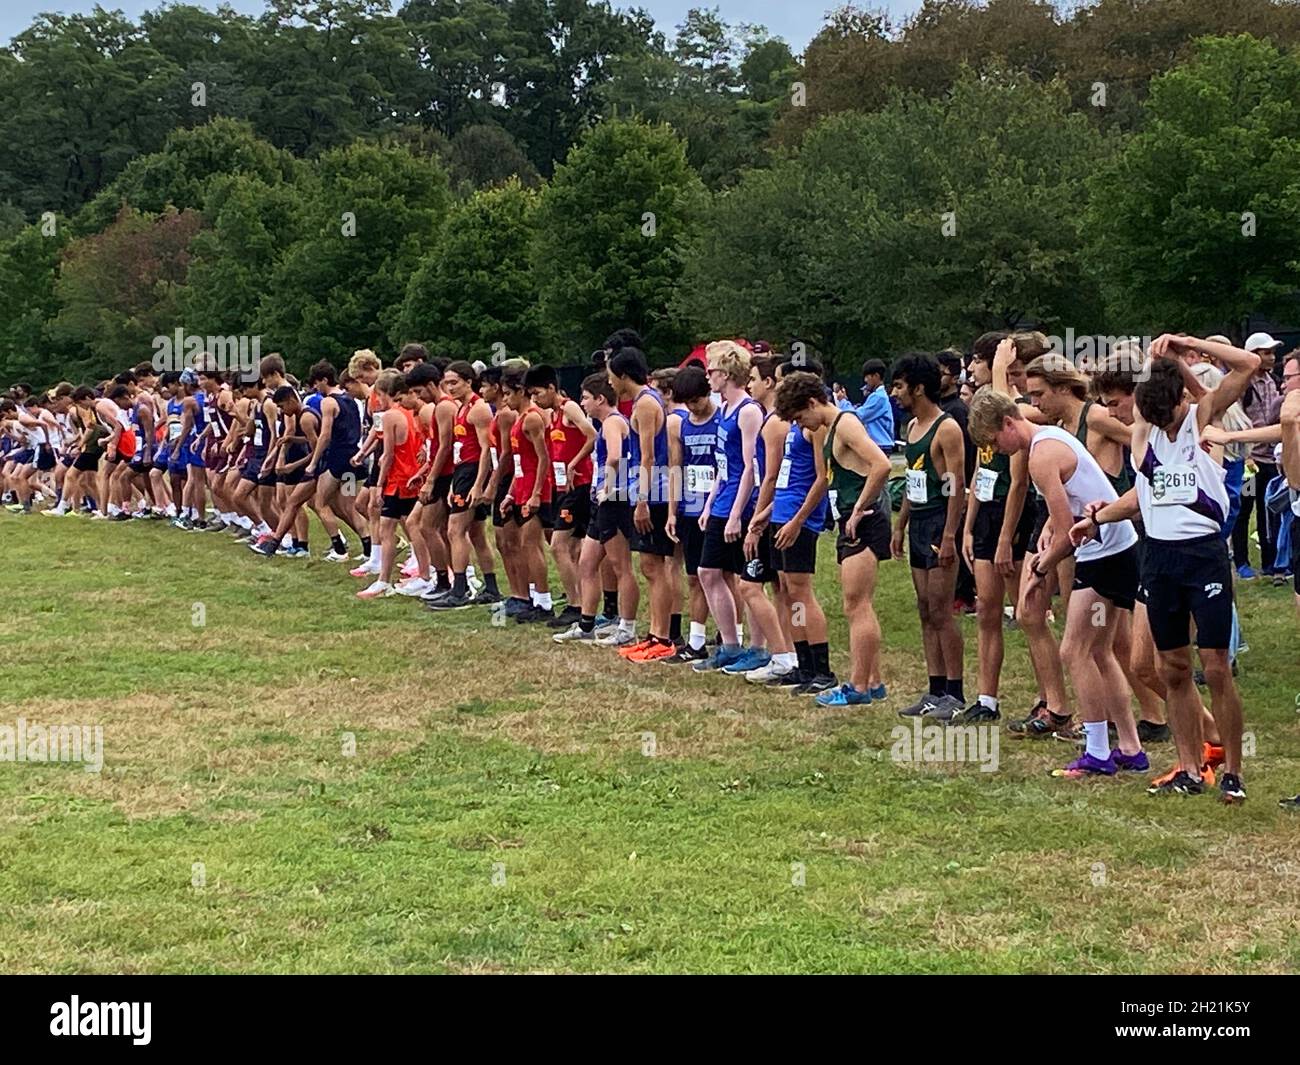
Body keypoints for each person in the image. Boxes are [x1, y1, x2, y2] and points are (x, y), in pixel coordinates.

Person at [1074, 336, 1258, 802]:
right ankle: (1191, 767)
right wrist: (1096, 517)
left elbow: (1248, 365)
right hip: (1158, 559)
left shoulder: (1199, 421)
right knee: (1171, 667)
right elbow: (1143, 494)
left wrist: (1185, 345)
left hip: (1203, 556)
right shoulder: (1142, 433)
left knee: (1215, 666)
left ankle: (1233, 770)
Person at [969, 387, 1147, 781]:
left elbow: (1070, 533)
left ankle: (1099, 751)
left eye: (996, 441)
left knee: (1075, 650)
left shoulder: (1040, 455)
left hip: (1106, 555)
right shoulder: (1051, 439)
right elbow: (1067, 504)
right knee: (1100, 653)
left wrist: (1039, 572)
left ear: (1008, 423)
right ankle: (1131, 747)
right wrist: (1050, 534)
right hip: (1116, 548)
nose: (998, 450)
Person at [778, 371, 892, 705]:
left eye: (802, 417)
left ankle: (857, 687)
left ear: (813, 402)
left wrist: (858, 509)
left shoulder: (845, 423)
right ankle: (873, 680)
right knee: (860, 604)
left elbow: (882, 465)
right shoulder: (832, 428)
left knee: (856, 605)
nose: (804, 426)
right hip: (851, 521)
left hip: (864, 522)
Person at [890, 354, 966, 720]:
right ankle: (935, 688)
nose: (895, 393)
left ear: (919, 388)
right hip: (919, 520)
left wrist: (951, 534)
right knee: (924, 609)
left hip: (939, 523)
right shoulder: (912, 428)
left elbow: (956, 486)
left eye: (900, 386)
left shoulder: (946, 429)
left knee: (941, 608)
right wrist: (900, 524)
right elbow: (911, 480)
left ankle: (955, 691)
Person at [553, 374, 641, 645]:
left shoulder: (613, 422)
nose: (583, 403)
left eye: (586, 398)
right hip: (601, 502)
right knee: (587, 562)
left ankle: (627, 627)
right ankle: (587, 623)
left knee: (620, 565)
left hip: (613, 501)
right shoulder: (605, 424)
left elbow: (615, 457)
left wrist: (608, 488)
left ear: (600, 399)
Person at [608, 347, 678, 661]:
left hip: (656, 492)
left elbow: (649, 456)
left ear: (623, 375)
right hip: (649, 489)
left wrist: (642, 501)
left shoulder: (647, 404)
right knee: (649, 566)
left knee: (655, 566)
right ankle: (655, 634)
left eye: (611, 375)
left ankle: (662, 637)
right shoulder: (641, 402)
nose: (609, 382)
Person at [430, 360, 501, 609]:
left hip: (472, 471)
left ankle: (460, 589)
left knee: (454, 530)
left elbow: (486, 449)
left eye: (455, 382)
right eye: (447, 383)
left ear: (469, 382)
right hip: (463, 470)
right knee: (476, 532)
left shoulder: (477, 409)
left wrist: (478, 483)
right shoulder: (461, 408)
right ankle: (490, 587)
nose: (450, 388)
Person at [663, 364, 718, 663]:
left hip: (719, 508)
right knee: (695, 577)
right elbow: (675, 468)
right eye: (687, 405)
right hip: (690, 507)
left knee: (723, 577)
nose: (692, 409)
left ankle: (729, 636)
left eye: (696, 402)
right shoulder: (680, 425)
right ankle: (696, 641)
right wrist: (673, 511)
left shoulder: (722, 419)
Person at [1233, 332, 1283, 578]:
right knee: (1244, 509)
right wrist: (1247, 455)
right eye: (1266, 352)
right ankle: (1241, 561)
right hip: (1249, 460)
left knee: (1269, 509)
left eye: (1272, 352)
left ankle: (1270, 561)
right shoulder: (1242, 384)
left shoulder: (1273, 380)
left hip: (1271, 458)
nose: (1271, 357)